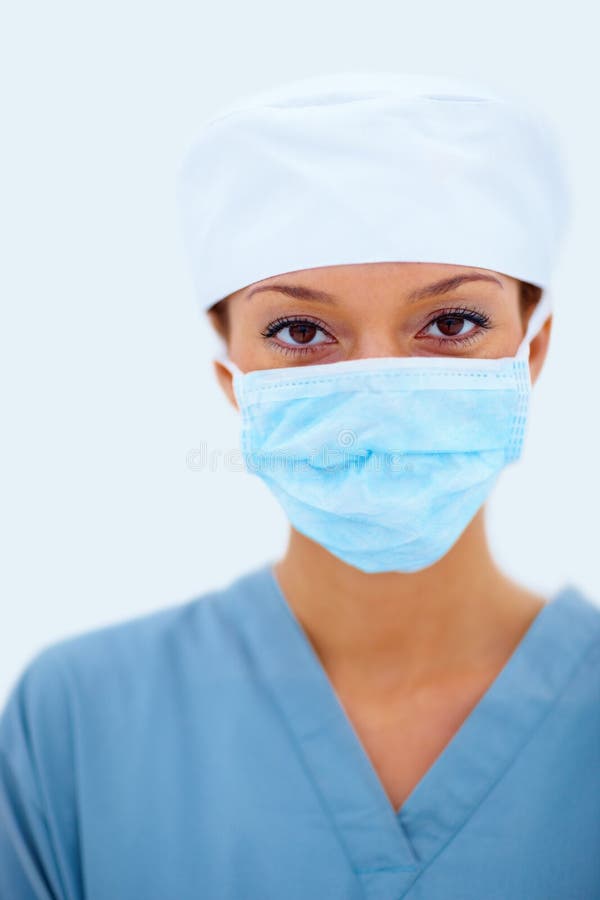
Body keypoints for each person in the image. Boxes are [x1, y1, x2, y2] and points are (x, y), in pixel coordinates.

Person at [1, 72, 599, 900]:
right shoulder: (75, 724)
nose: (378, 385)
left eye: (452, 323)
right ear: (231, 377)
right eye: (301, 330)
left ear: (529, 355)